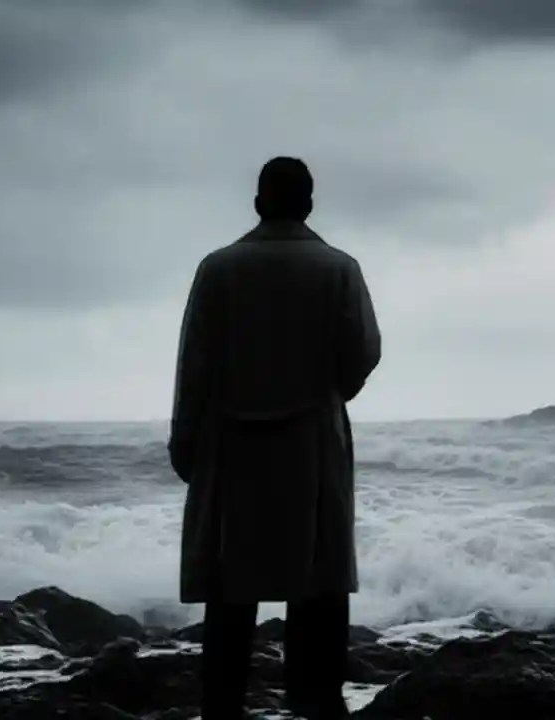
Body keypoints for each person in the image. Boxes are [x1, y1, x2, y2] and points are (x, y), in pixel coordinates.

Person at [168, 157, 381, 719]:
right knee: (318, 579)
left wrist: (184, 439)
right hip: (313, 440)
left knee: (231, 585)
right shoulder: (338, 268)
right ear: (309, 204)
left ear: (258, 202)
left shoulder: (219, 268)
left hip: (231, 442)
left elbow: (195, 363)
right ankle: (314, 699)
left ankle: (224, 703)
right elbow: (361, 354)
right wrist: (330, 392)